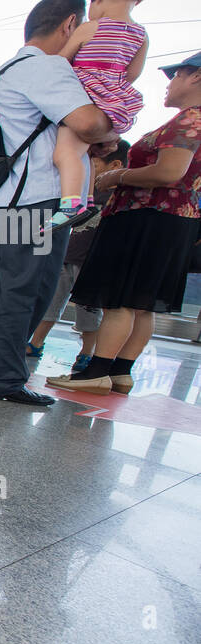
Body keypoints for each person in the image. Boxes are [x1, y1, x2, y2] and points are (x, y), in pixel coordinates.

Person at [0, 0, 118, 406]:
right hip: (36, 202)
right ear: (70, 24)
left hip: (2, 201)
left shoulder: (7, 70)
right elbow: (86, 122)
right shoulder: (46, 69)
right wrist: (110, 126)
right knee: (26, 289)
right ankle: (5, 379)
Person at [48, 54, 201, 394]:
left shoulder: (190, 121)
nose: (169, 83)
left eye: (176, 76)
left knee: (120, 299)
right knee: (141, 305)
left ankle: (95, 373)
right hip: (174, 222)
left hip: (146, 218)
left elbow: (169, 172)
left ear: (195, 78)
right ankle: (120, 371)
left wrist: (117, 175)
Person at [47, 0, 154, 232]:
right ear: (139, 0)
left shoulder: (91, 27)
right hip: (113, 102)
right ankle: (87, 198)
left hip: (83, 98)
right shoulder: (141, 35)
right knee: (86, 154)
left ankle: (72, 205)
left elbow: (59, 62)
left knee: (64, 154)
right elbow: (132, 74)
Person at [25, 140, 129, 366]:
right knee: (51, 302)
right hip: (69, 255)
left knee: (88, 310)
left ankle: (87, 352)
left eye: (96, 164)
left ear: (115, 164)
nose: (91, 168)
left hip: (94, 262)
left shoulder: (119, 198)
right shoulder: (86, 190)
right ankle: (36, 342)